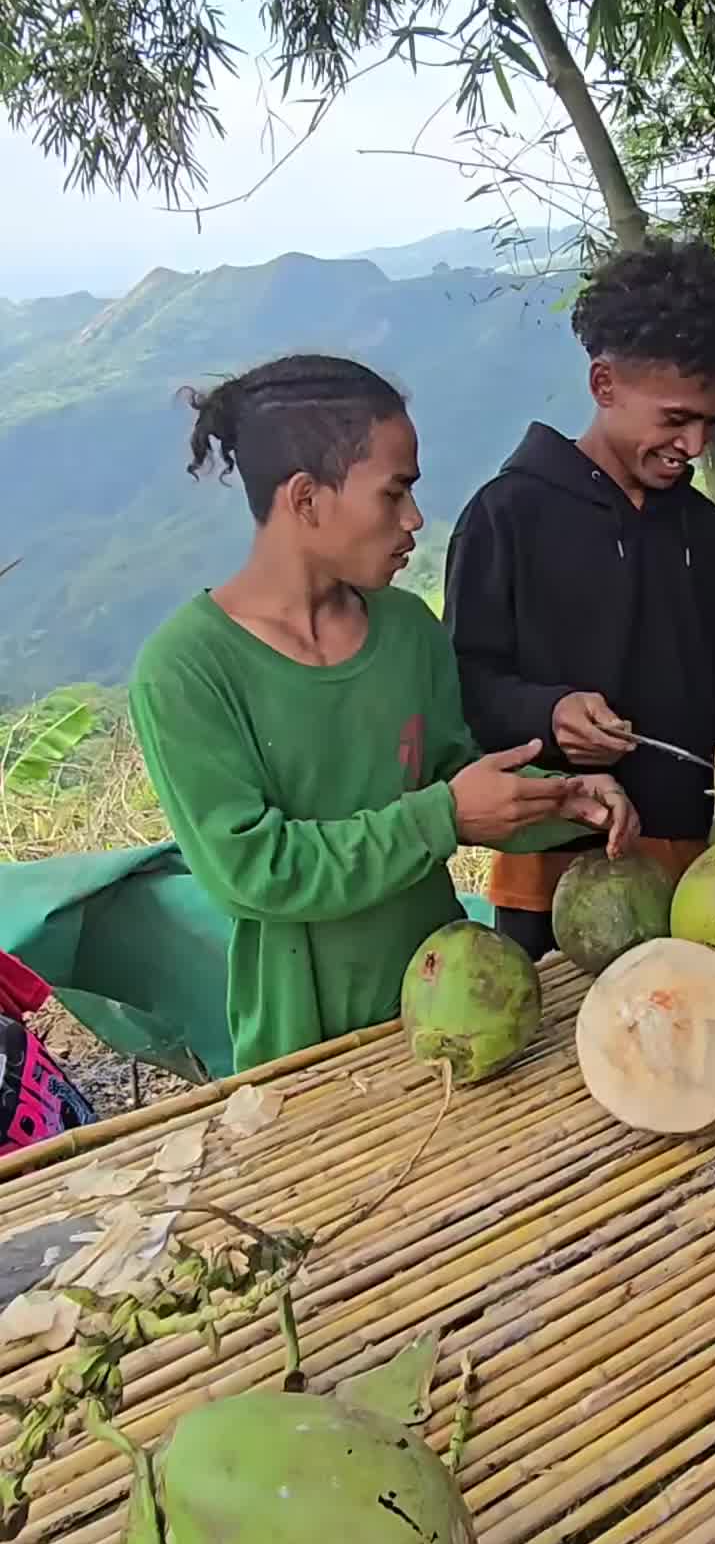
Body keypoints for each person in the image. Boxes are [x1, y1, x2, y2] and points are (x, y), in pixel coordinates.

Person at [129, 355, 638, 1074]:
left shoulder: (406, 630)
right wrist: (444, 820)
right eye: (395, 492)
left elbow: (449, 774)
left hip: (454, 1002)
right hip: (304, 1043)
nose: (415, 520)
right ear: (306, 499)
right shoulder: (187, 670)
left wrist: (561, 798)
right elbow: (253, 870)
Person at [445, 237, 715, 959]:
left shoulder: (707, 537)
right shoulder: (506, 517)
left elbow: (714, 686)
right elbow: (466, 684)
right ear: (604, 384)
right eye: (675, 418)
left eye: (712, 420)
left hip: (688, 869)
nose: (696, 443)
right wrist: (546, 712)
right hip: (548, 866)